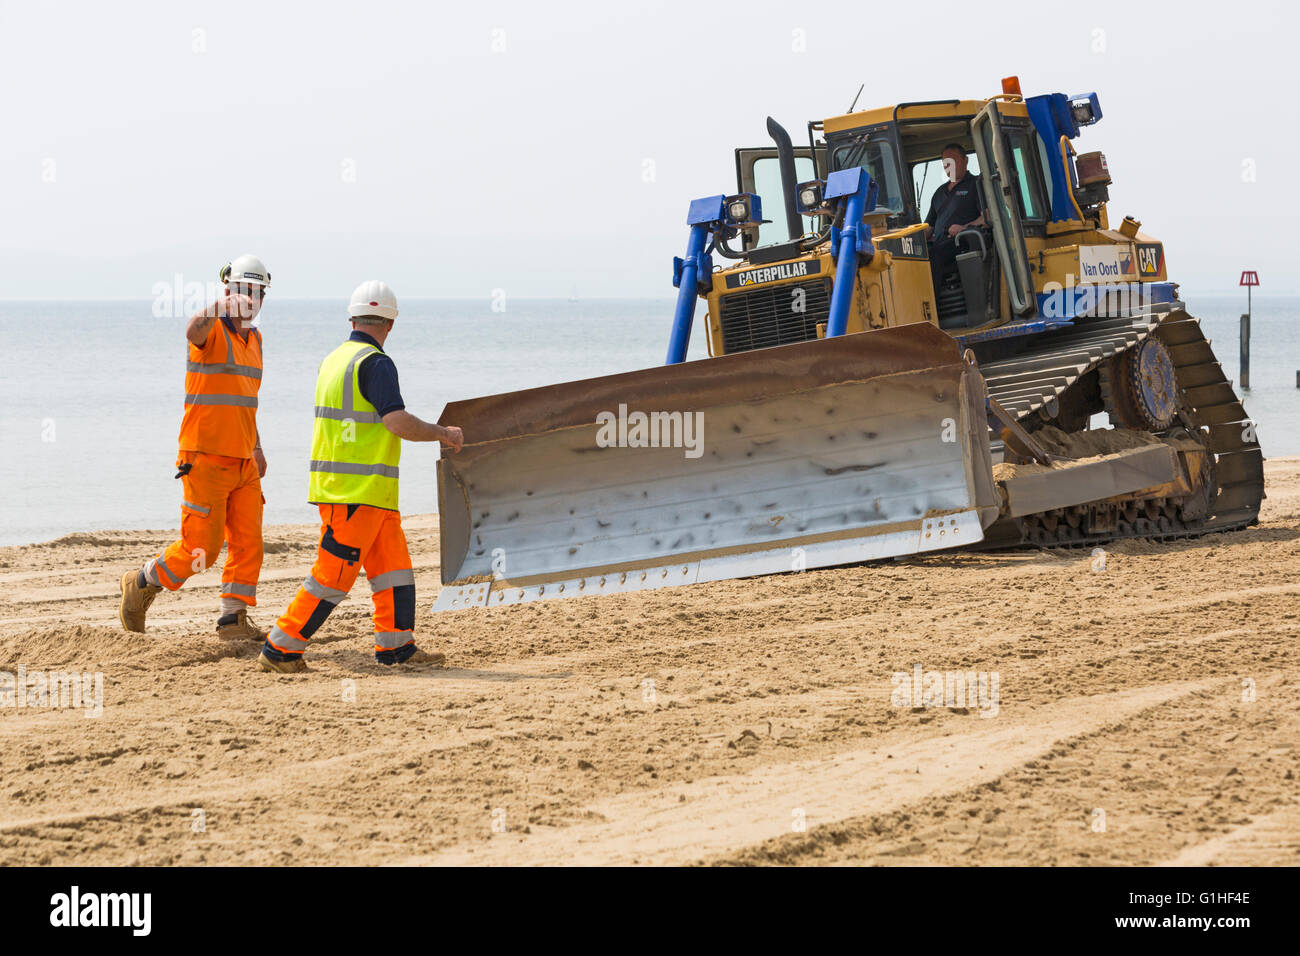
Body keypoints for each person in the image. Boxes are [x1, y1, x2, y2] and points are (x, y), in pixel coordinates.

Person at [258, 280, 464, 673]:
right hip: (355, 495)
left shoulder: (333, 360)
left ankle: (396, 647)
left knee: (395, 570)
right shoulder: (376, 363)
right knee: (332, 577)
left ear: (352, 317)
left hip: (361, 493)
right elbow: (396, 420)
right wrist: (442, 433)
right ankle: (280, 648)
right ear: (391, 324)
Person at [118, 255, 273, 640]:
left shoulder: (255, 340)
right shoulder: (211, 330)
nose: (251, 298)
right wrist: (221, 305)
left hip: (243, 460)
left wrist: (256, 445)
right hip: (204, 457)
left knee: (249, 542)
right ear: (229, 290)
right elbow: (191, 329)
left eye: (258, 292)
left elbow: (244, 398)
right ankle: (142, 581)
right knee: (201, 548)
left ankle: (232, 619)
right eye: (244, 290)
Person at [923, 144, 985, 294]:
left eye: (953, 161)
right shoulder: (939, 193)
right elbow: (928, 227)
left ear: (966, 161)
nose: (948, 166)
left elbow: (987, 217)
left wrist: (964, 228)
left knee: (933, 255)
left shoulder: (976, 184)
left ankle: (933, 306)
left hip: (962, 242)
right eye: (945, 163)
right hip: (940, 244)